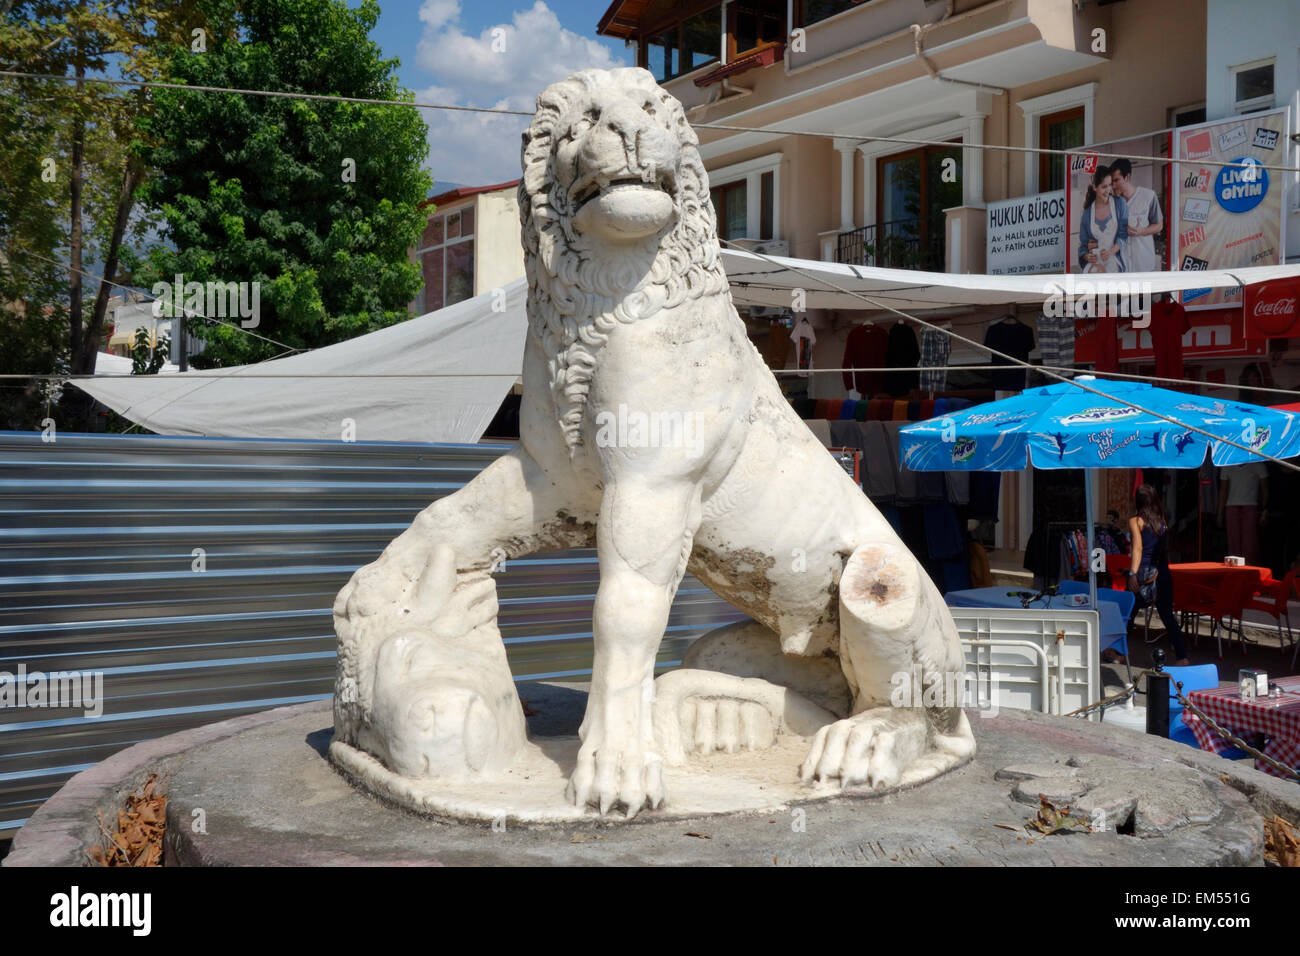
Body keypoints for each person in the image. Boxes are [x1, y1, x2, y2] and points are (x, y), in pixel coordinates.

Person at [1124, 484, 1189, 665]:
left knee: (1127, 612)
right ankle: (1182, 657)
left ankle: (1121, 653)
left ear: (1138, 501)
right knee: (1168, 616)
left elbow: (1137, 547)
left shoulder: (1136, 521)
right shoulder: (1162, 522)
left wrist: (1132, 574)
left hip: (1143, 574)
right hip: (1163, 573)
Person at [1111, 158, 1163, 273]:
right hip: (1120, 267)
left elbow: (1159, 225)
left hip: (1143, 266)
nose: (1113, 186)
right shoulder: (1111, 202)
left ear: (1127, 177)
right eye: (1112, 182)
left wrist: (1142, 231)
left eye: (1116, 180)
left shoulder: (1148, 196)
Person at [1078, 165, 1129, 273]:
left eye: (1110, 185)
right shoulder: (1086, 215)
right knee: (1098, 272)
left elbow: (1123, 236)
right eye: (1103, 187)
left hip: (1114, 258)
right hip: (1094, 263)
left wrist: (1110, 252)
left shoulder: (1120, 204)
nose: (1108, 190)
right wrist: (1088, 257)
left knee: (1105, 275)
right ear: (1095, 187)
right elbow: (1082, 247)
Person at [1218, 460, 1268, 566]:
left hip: (1250, 506)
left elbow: (1265, 489)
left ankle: (1250, 570)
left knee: (1250, 543)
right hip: (1231, 506)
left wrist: (1265, 509)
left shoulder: (1258, 465)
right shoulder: (1227, 465)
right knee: (1233, 543)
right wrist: (1220, 513)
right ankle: (1234, 571)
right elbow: (1223, 490)